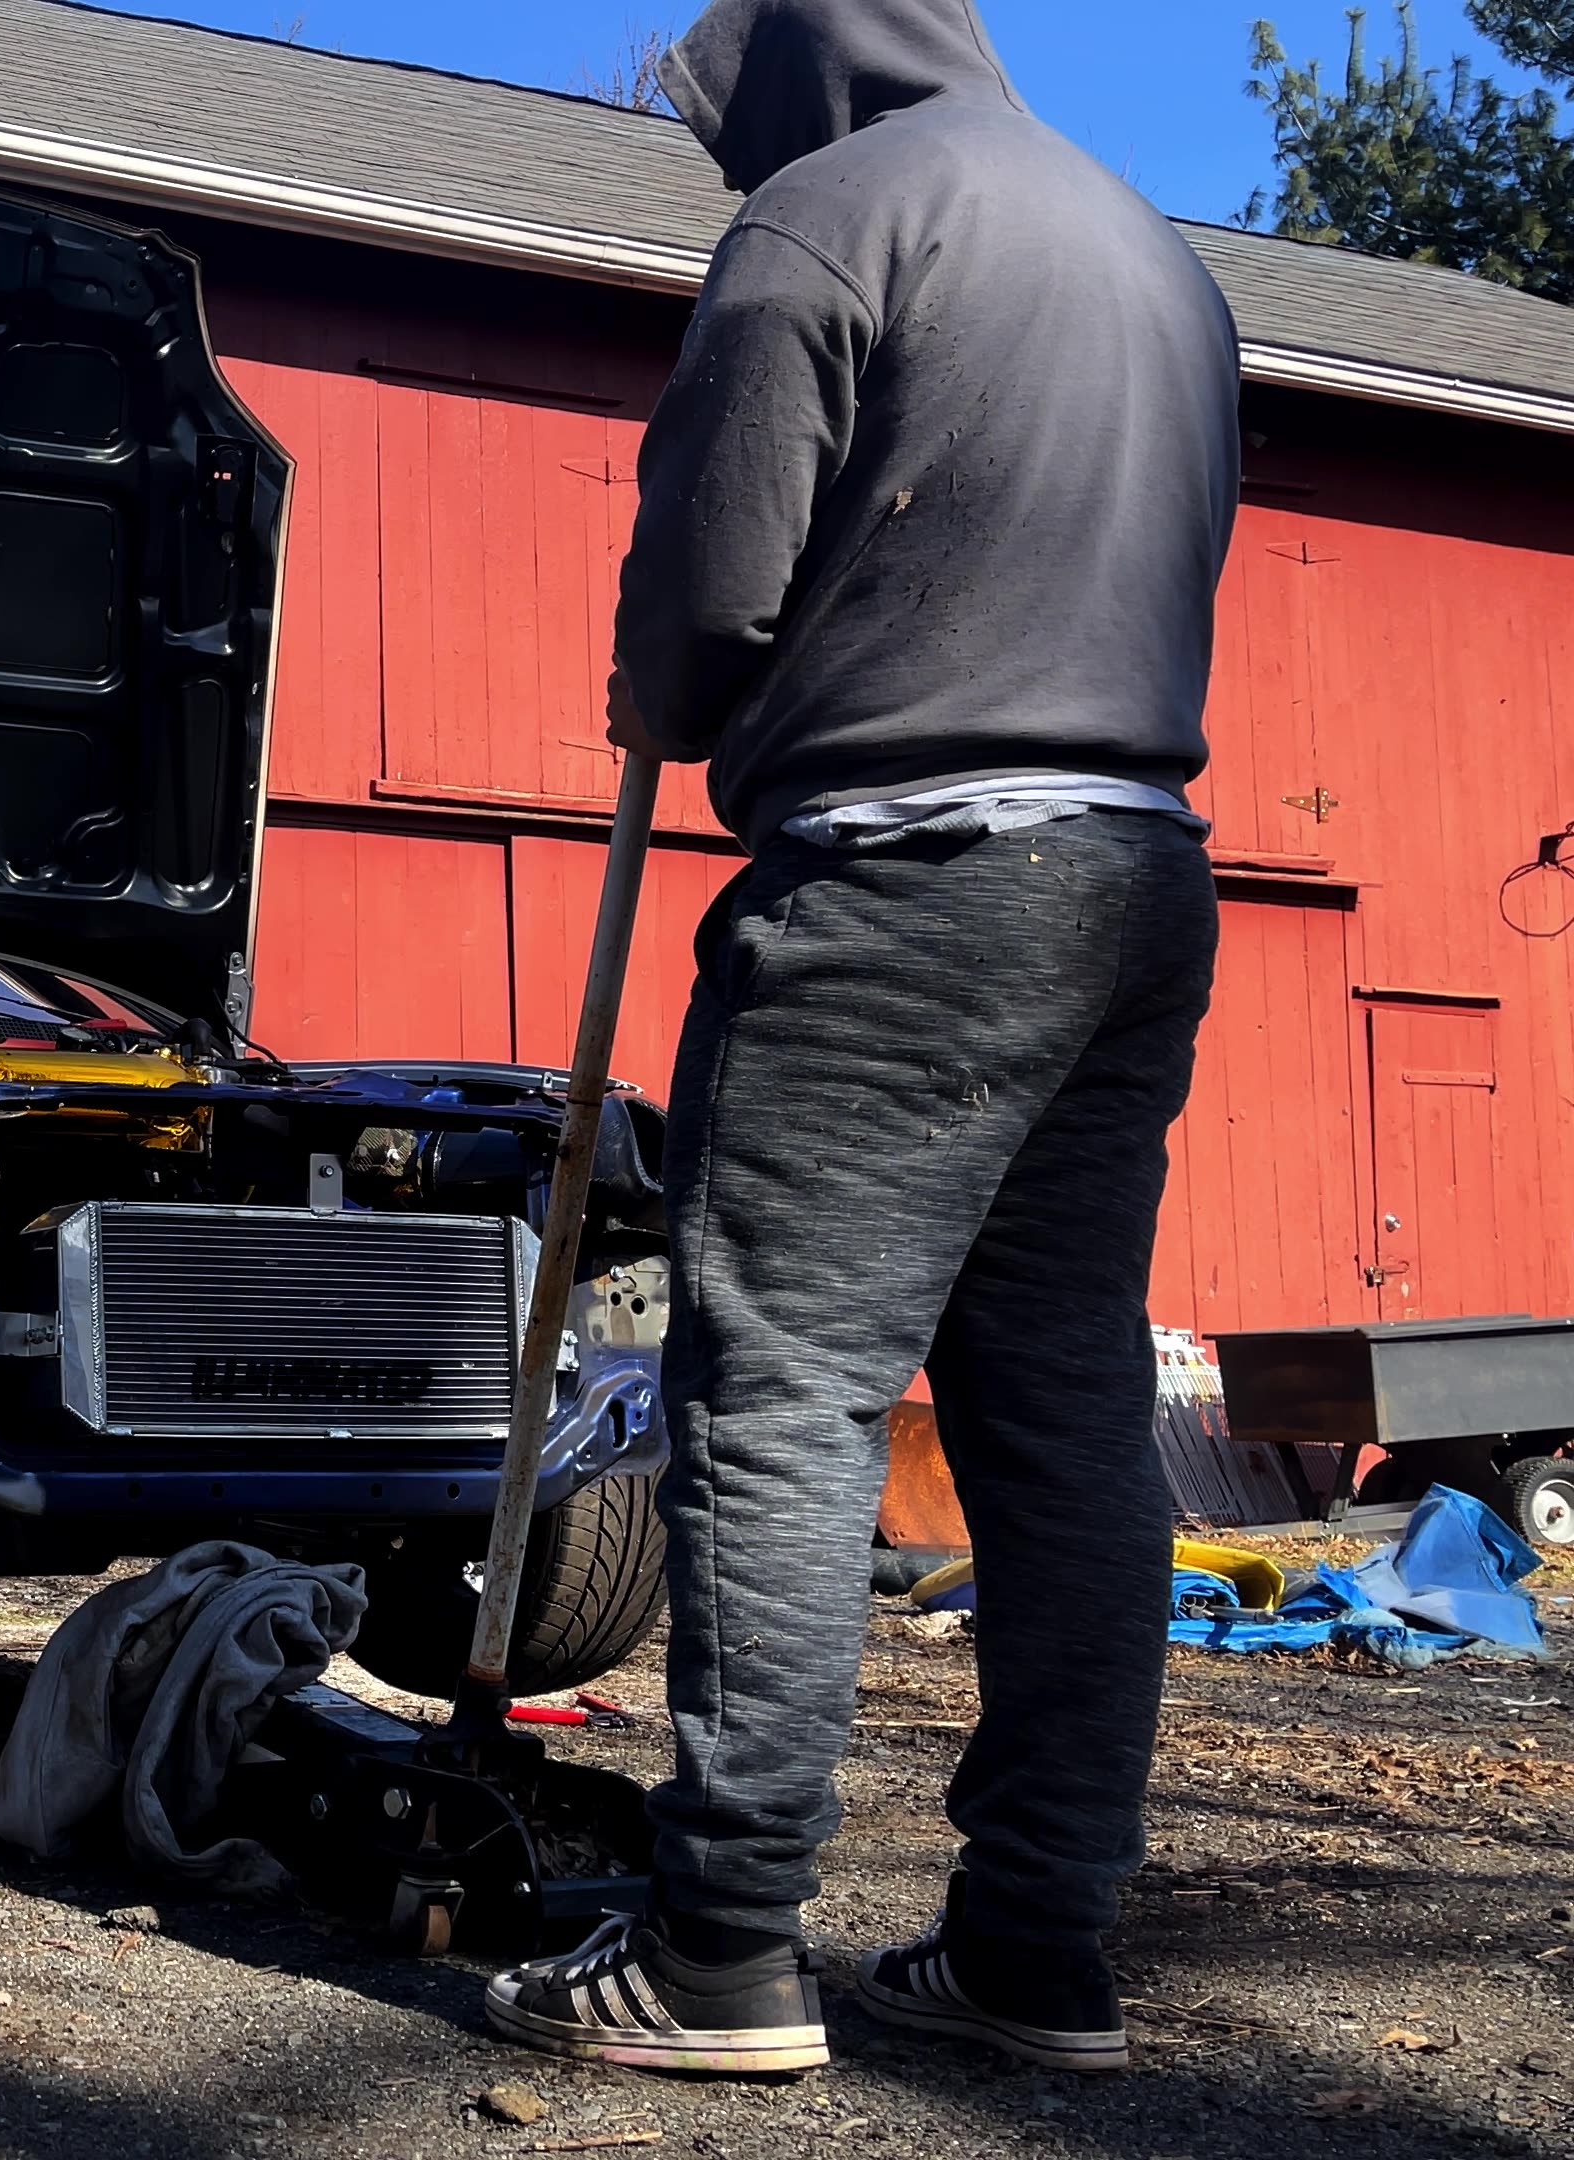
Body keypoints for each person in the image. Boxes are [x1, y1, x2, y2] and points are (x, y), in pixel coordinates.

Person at [481, 0, 1238, 2079]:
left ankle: (721, 1944)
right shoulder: (1149, 249)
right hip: (1132, 869)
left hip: (903, 872)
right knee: (1063, 1406)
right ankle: (1034, 1946)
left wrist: (661, 685)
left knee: (786, 1388)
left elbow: (714, 593)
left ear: (795, 78)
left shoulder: (831, 219)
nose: (732, 167)